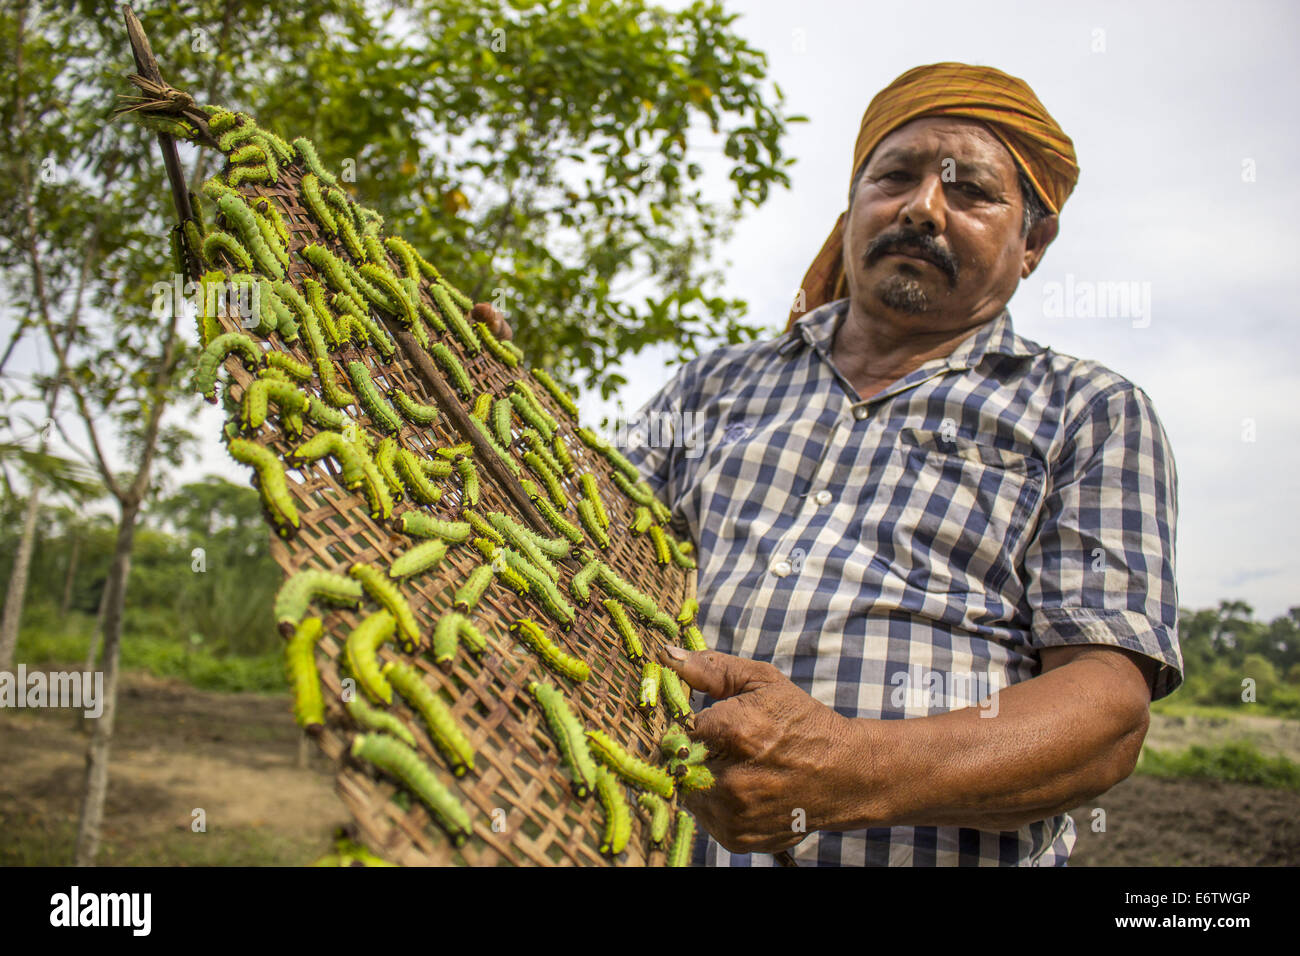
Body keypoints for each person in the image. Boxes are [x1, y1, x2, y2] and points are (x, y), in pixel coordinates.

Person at [478, 62, 1182, 866]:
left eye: (971, 192)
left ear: (1033, 243)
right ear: (853, 204)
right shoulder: (715, 385)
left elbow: (1105, 714)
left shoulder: (1087, 412)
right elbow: (588, 548)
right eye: (895, 177)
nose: (923, 207)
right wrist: (499, 407)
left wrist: (851, 769)